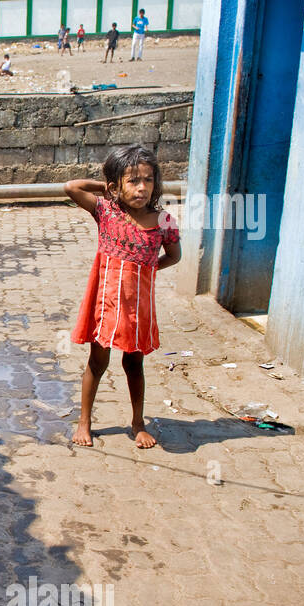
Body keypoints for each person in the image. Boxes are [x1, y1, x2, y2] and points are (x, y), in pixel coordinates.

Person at [64, 145, 181, 450]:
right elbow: (71, 187)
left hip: (137, 308)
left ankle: (138, 424)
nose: (142, 188)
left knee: (134, 364)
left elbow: (174, 256)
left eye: (148, 180)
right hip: (105, 304)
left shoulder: (163, 221)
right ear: (116, 186)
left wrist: (145, 268)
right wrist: (109, 189)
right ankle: (84, 422)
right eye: (133, 181)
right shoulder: (106, 211)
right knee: (97, 362)